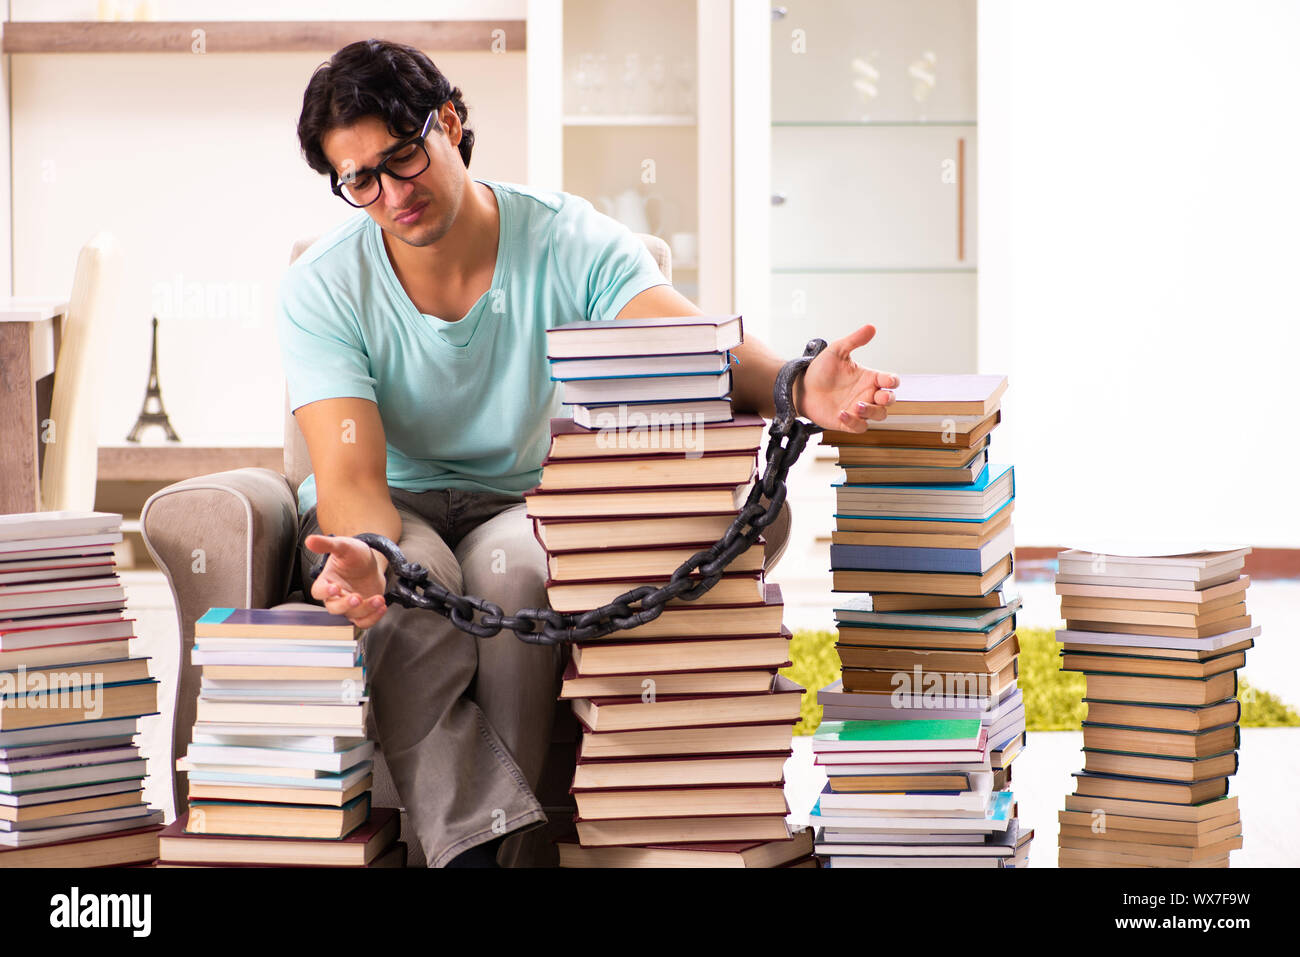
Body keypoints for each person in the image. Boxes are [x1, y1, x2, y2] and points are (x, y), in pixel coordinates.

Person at [278, 39, 899, 867]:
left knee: (513, 576)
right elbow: (352, 475)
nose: (391, 195)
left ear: (449, 124)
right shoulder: (323, 284)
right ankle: (488, 850)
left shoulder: (565, 237)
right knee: (408, 594)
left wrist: (794, 382)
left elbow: (690, 342)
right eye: (360, 180)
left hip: (523, 497)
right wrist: (370, 557)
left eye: (402, 158)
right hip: (394, 499)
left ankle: (501, 848)